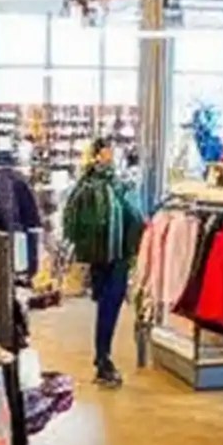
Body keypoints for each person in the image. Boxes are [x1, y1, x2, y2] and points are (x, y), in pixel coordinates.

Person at [62, 137, 143, 388]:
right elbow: (132, 217)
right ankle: (103, 358)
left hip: (106, 255)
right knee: (109, 305)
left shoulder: (97, 185)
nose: (110, 156)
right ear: (98, 156)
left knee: (107, 305)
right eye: (107, 152)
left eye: (112, 151)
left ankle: (103, 357)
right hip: (112, 256)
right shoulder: (106, 186)